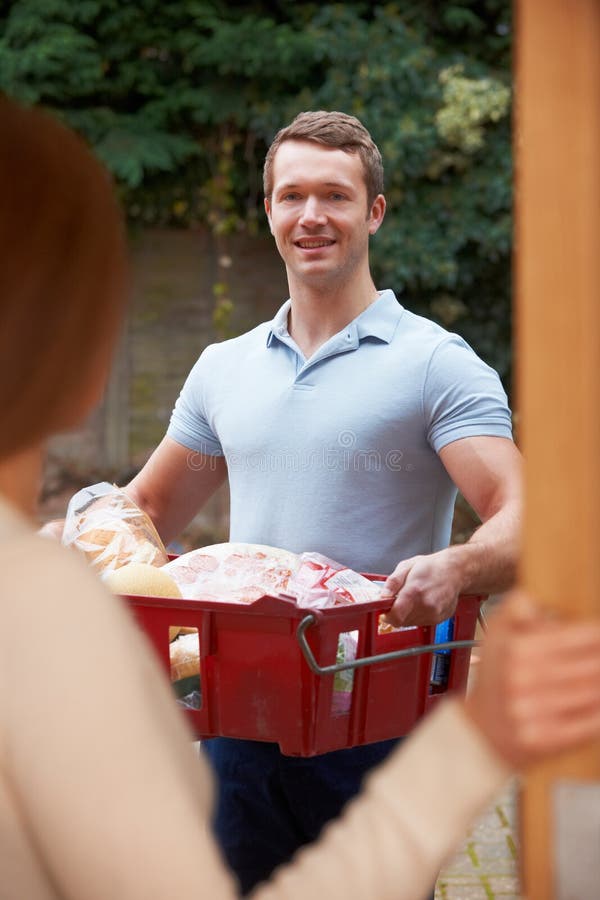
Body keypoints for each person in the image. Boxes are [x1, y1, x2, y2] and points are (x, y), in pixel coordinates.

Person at [4, 95, 600, 900]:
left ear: (375, 212)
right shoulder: (224, 368)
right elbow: (141, 516)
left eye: (335, 196)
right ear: (269, 211)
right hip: (234, 720)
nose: (311, 215)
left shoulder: (433, 364)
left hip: (374, 725)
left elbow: (532, 516)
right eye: (293, 196)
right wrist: (61, 543)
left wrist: (457, 567)